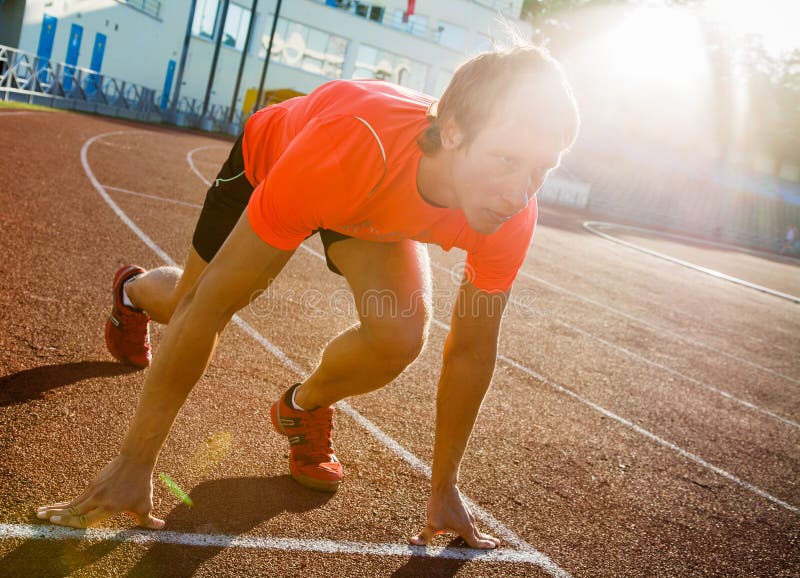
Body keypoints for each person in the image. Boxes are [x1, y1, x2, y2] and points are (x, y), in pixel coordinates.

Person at [37, 43, 579, 549]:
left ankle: (302, 407)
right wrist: (134, 462)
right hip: (283, 161)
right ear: (454, 132)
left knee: (400, 335)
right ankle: (134, 292)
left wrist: (444, 486)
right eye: (506, 160)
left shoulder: (512, 213)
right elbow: (212, 308)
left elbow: (471, 349)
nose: (518, 191)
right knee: (191, 303)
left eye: (539, 171)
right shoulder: (351, 144)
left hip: (370, 203)